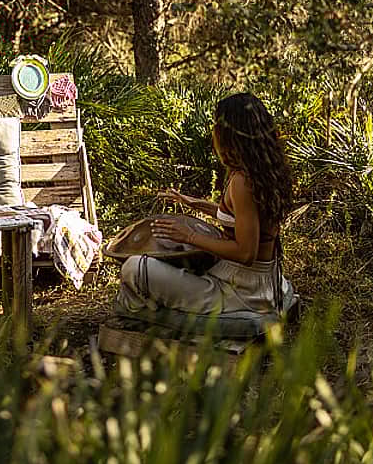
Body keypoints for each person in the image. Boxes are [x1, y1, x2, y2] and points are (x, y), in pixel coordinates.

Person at [113, 92, 297, 321]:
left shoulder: (242, 182)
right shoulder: (262, 171)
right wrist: (193, 202)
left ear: (230, 134)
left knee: (134, 268)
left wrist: (189, 236)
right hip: (261, 281)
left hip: (243, 291)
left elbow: (246, 253)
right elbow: (242, 217)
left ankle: (146, 318)